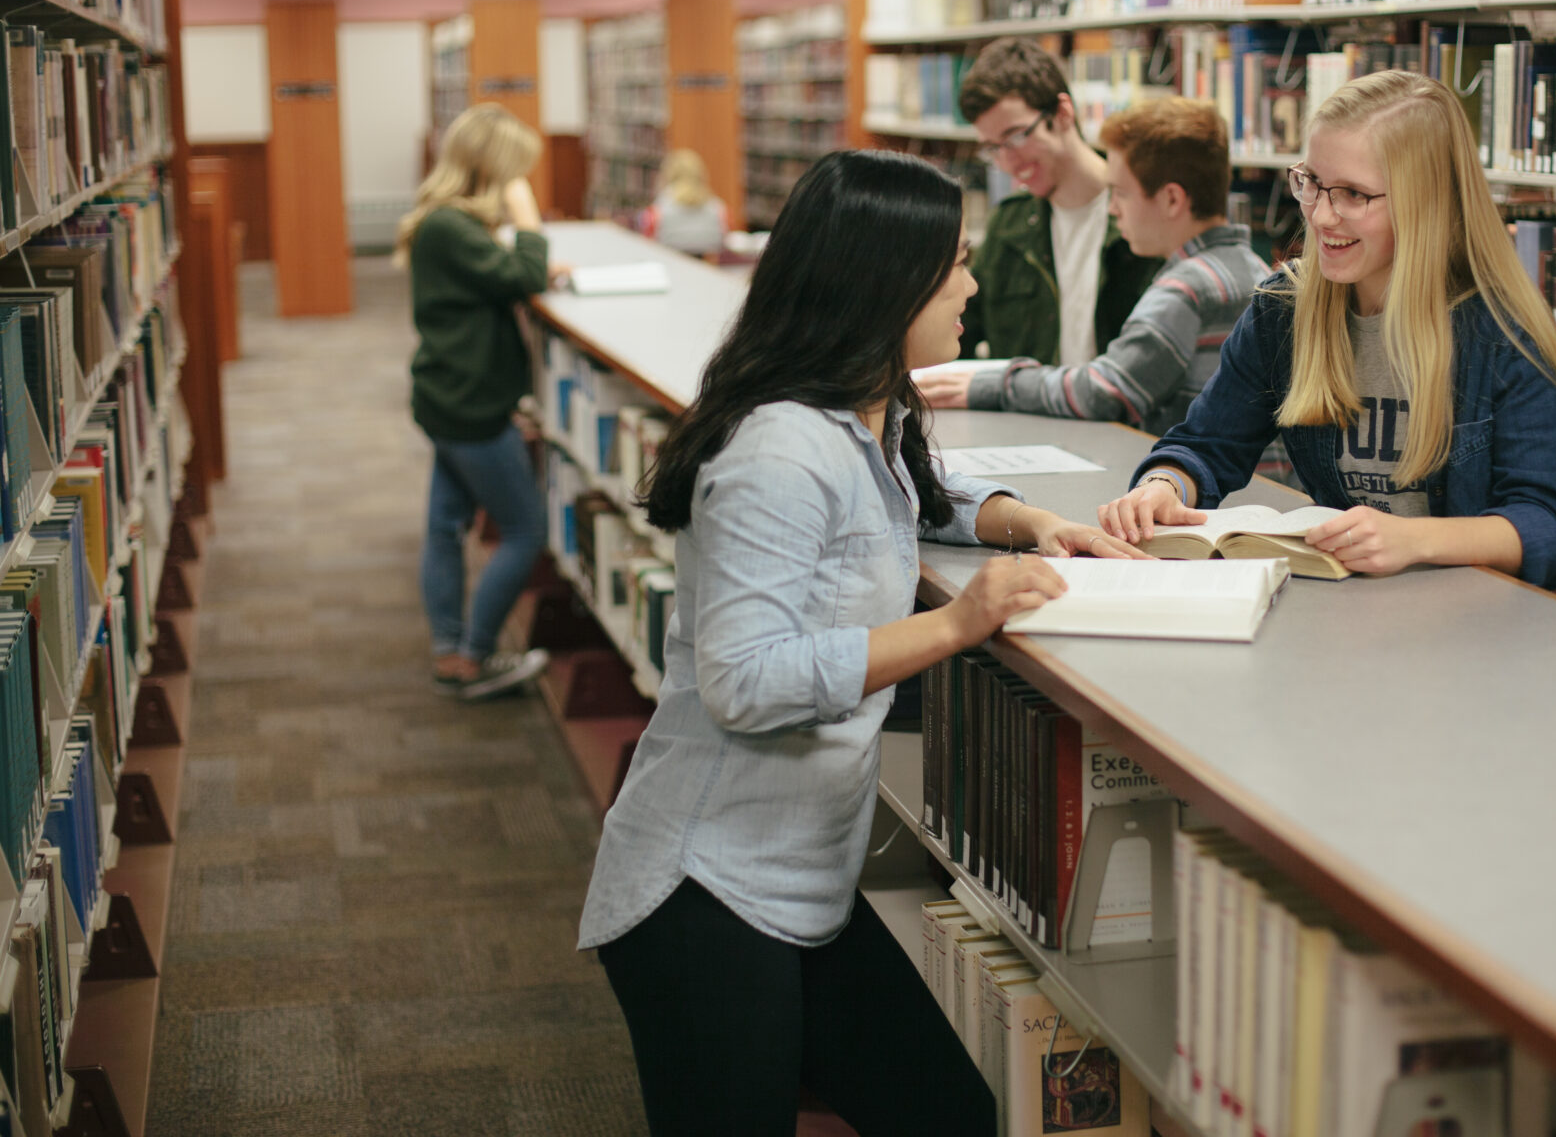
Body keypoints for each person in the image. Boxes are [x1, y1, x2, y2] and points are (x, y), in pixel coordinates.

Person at [578, 149, 1146, 1137]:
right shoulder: (778, 449)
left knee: (950, 1114)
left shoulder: (862, 409)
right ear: (888, 283)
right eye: (957, 264)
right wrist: (956, 622)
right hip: (705, 882)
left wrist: (1026, 521)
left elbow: (913, 496)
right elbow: (745, 682)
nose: (971, 284)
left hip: (801, 874)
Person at [1097, 70, 1556, 588]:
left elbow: (1551, 528)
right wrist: (1162, 485)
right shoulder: (1284, 310)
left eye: (1353, 194)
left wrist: (1412, 539)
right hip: (1348, 611)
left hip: (1474, 625)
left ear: (1426, 202)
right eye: (1311, 183)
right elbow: (1206, 444)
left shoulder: (1501, 336)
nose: (1321, 216)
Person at [920, 97, 1270, 437]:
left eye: (1120, 193)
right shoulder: (1255, 269)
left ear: (1172, 199)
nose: (1113, 209)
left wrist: (994, 385)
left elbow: (1107, 389)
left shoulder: (1187, 287)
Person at [397, 103, 554, 699]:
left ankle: (450, 653)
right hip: (470, 405)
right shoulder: (449, 227)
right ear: (494, 169)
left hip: (449, 395)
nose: (523, 183)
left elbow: (498, 277)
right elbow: (523, 278)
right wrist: (528, 218)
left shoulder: (450, 224)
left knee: (443, 527)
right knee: (524, 531)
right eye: (517, 172)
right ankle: (475, 655)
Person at [958, 37, 1161, 362]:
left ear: (1063, 113)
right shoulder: (1007, 227)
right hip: (1024, 413)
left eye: (1016, 136)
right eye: (992, 148)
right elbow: (961, 335)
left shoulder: (1143, 215)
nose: (1007, 163)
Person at [639, 148, 729, 258]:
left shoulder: (658, 208)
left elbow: (648, 241)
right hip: (707, 268)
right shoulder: (718, 207)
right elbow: (723, 240)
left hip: (669, 266)